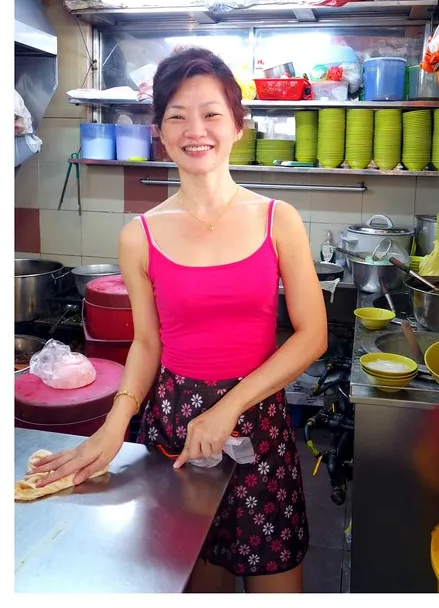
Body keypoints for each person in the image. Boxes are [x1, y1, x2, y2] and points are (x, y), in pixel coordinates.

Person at [30, 46, 328, 593]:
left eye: (212, 113)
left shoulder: (277, 220)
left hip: (258, 419)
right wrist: (115, 425)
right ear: (160, 132)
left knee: (278, 586)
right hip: (175, 424)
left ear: (238, 125)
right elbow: (146, 343)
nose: (196, 129)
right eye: (177, 115)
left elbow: (312, 336)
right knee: (193, 582)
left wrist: (231, 406)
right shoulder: (138, 235)